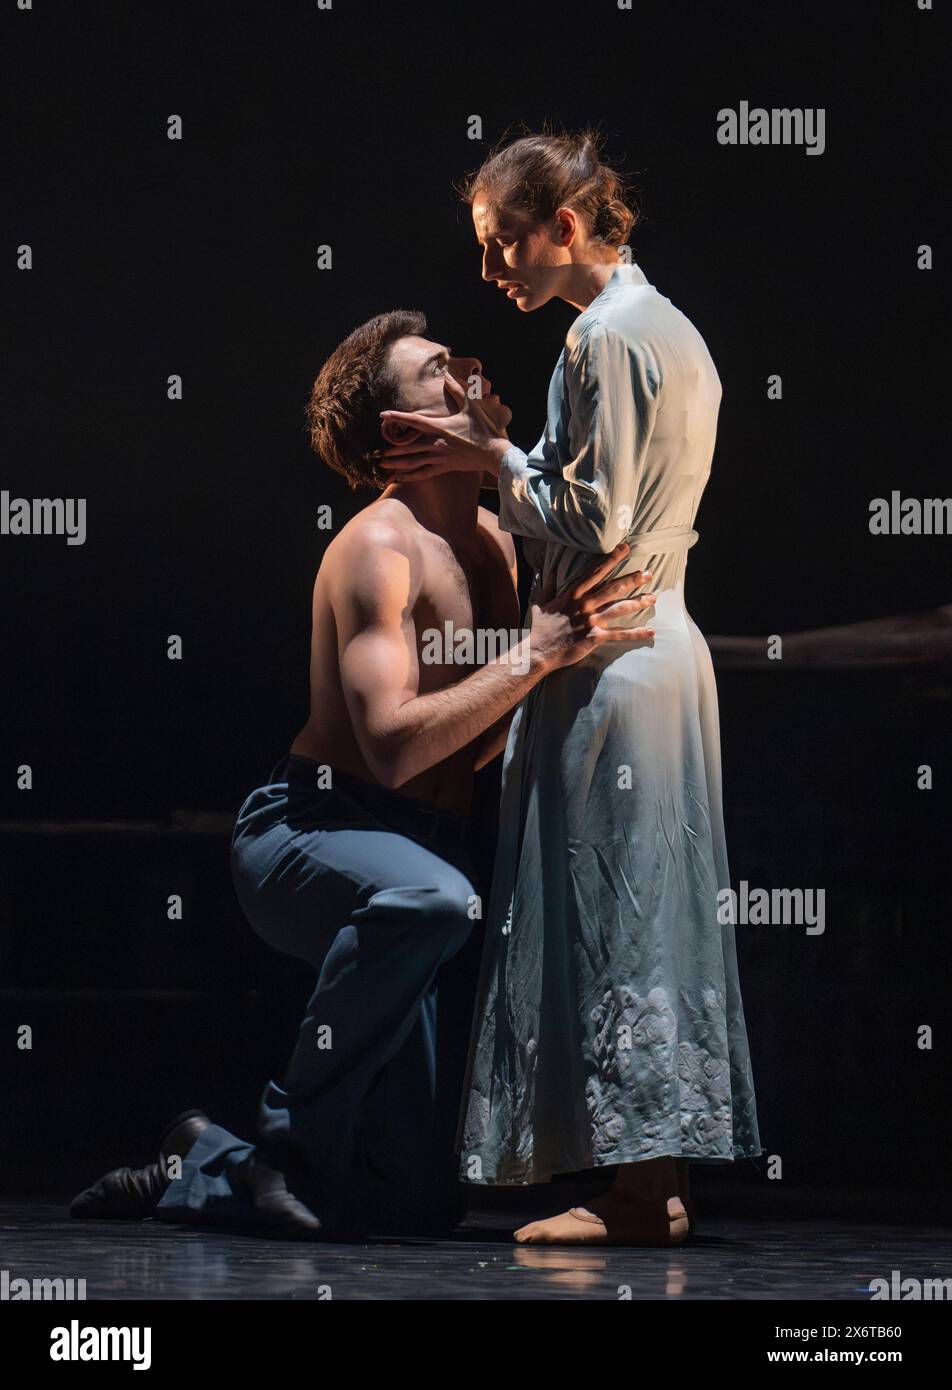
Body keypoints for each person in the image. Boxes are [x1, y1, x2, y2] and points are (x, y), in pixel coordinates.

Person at [69, 309, 657, 1239]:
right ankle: (285, 1141)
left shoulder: (498, 542)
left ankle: (202, 1161)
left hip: (423, 851)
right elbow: (391, 746)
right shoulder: (377, 549)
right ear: (402, 429)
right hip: (312, 829)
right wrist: (537, 657)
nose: (472, 369)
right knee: (434, 901)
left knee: (418, 1205)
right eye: (442, 368)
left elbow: (480, 730)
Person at [379, 131, 764, 1245]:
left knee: (614, 915)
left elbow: (594, 519)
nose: (490, 269)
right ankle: (651, 1179)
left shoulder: (606, 336)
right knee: (644, 912)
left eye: (504, 243)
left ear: (565, 225)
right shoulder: (663, 327)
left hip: (614, 655)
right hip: (655, 643)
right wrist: (506, 449)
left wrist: (491, 457)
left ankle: (638, 1189)